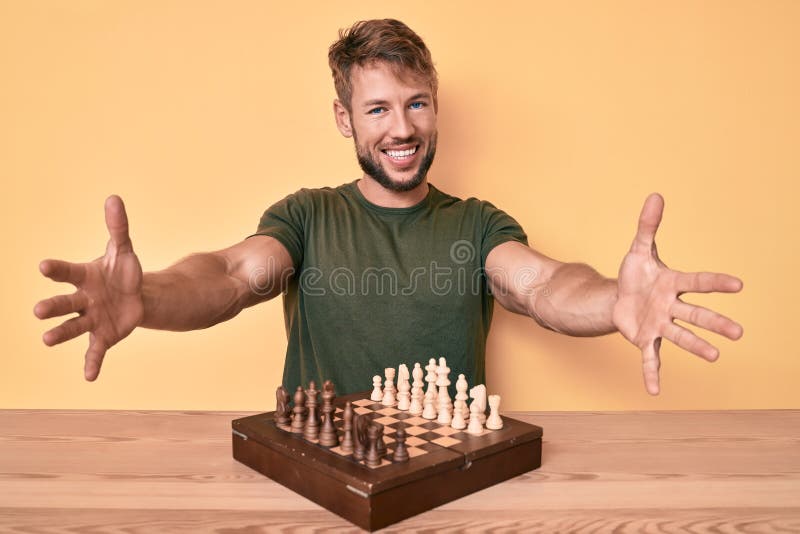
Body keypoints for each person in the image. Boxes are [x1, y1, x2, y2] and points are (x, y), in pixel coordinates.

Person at [34, 19, 743, 396]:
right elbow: (227, 276)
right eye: (377, 108)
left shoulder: (476, 226)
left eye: (415, 104)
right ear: (345, 120)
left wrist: (615, 298)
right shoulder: (307, 217)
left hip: (449, 484)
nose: (400, 129)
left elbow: (547, 285)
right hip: (322, 485)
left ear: (435, 109)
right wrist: (149, 298)